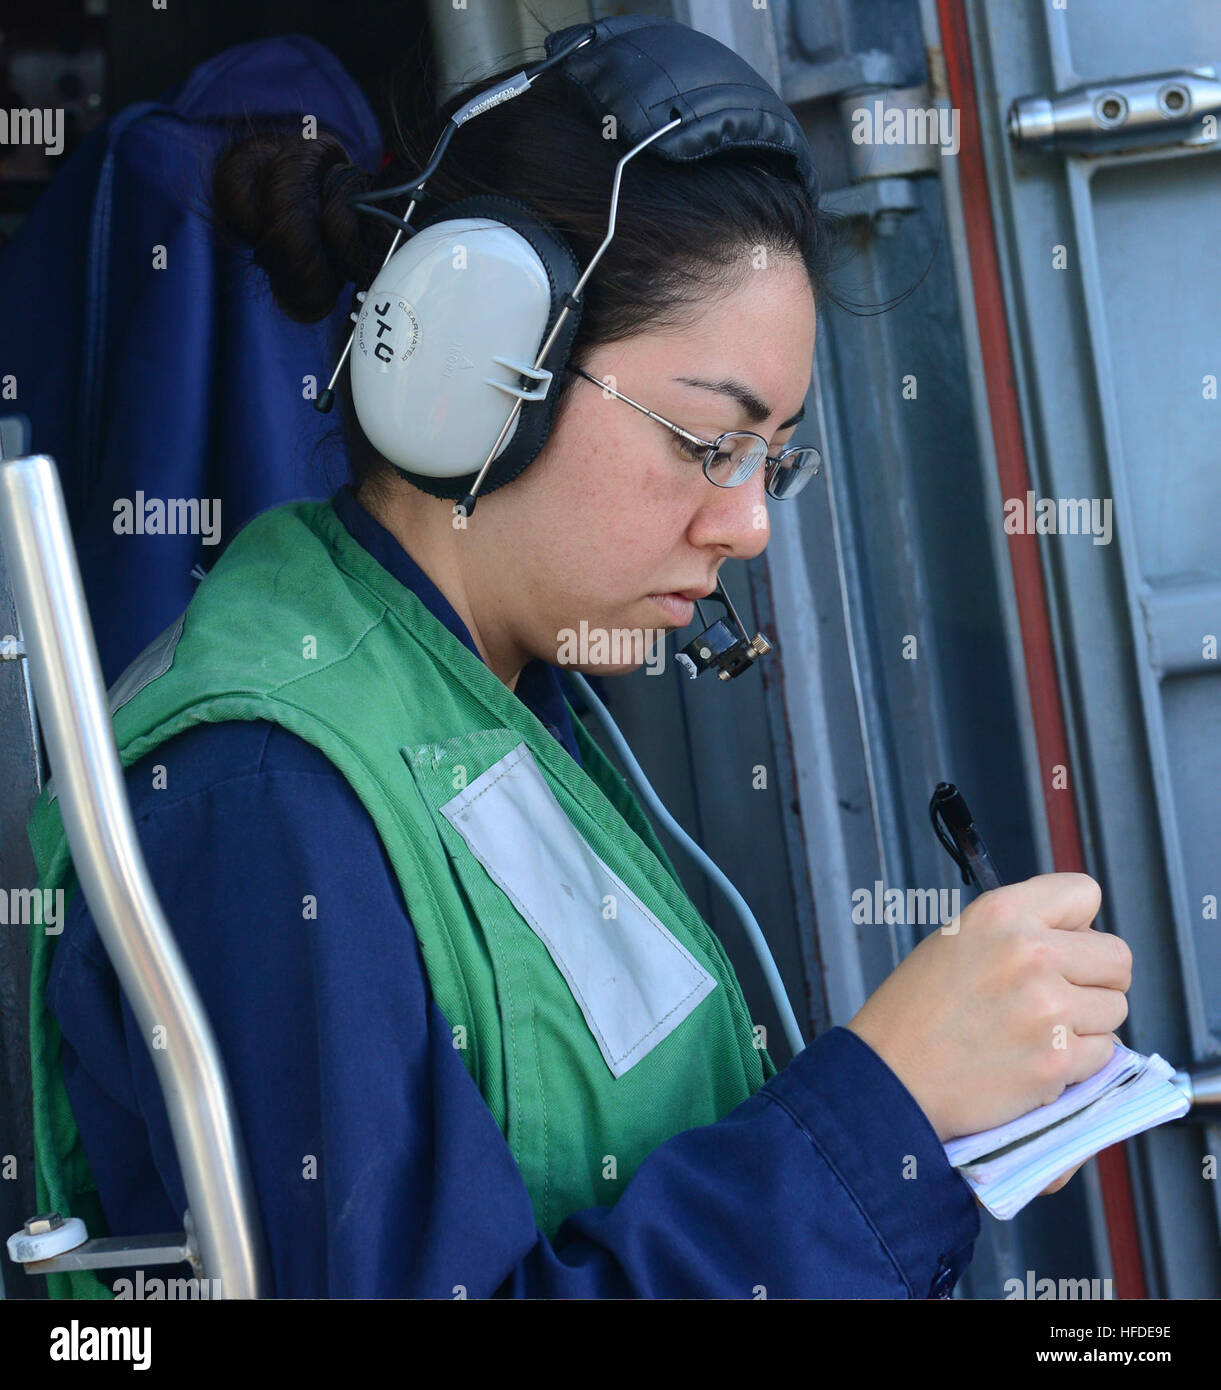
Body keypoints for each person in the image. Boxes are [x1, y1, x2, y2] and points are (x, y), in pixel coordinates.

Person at [30, 20, 1131, 1299]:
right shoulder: (268, 795)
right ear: (476, 372)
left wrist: (945, 1120)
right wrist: (881, 1118)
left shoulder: (502, 695)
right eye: (707, 440)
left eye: (772, 456)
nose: (752, 522)